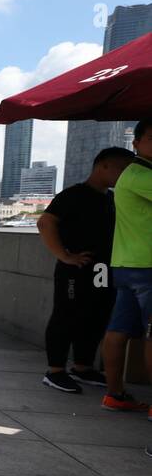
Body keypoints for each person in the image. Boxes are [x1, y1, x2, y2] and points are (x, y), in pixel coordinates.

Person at [38, 147, 137, 393]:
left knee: (97, 316)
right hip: (76, 270)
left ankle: (83, 367)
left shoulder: (111, 198)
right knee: (66, 315)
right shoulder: (73, 195)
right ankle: (55, 371)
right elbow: (45, 222)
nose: (125, 175)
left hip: (104, 269)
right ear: (102, 166)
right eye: (122, 169)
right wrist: (64, 256)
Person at [100, 120, 152, 413]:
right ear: (136, 143)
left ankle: (114, 393)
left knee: (119, 329)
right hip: (147, 265)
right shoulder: (141, 176)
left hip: (126, 264)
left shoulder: (131, 175)